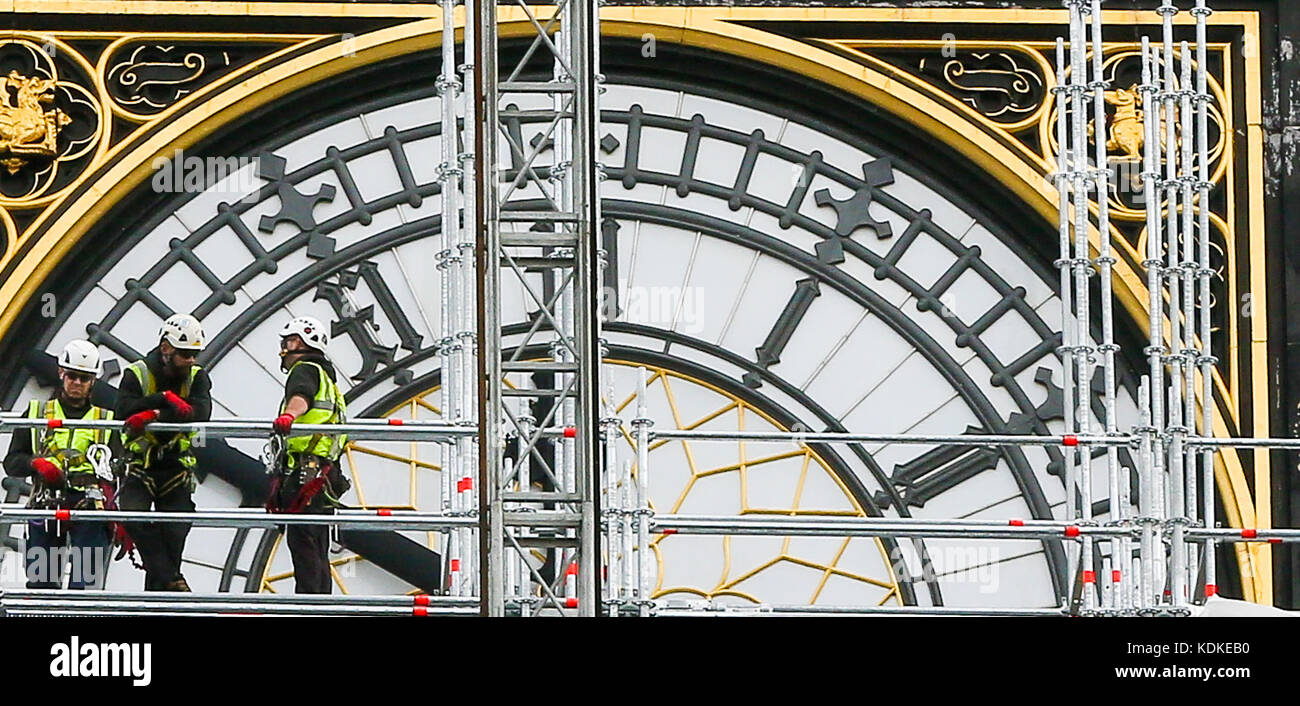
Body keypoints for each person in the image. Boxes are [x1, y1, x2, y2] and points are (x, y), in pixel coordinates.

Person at [3, 340, 118, 589]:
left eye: (84, 378)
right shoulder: (37, 412)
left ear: (93, 381)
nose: (76, 383)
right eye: (72, 376)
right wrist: (36, 463)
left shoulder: (106, 420)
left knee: (84, 586)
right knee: (41, 582)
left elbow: (120, 467)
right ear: (61, 374)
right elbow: (12, 462)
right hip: (47, 502)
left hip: (89, 504)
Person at [115, 313, 213, 591]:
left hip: (175, 465)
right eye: (185, 354)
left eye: (194, 354)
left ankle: (160, 593)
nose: (191, 360)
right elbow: (122, 410)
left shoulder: (197, 377)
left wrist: (154, 412)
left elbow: (200, 413)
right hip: (141, 465)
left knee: (175, 531)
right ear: (166, 348)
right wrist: (163, 399)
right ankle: (171, 580)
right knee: (134, 517)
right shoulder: (137, 374)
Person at [268, 315, 350, 594]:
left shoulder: (304, 370)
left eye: (290, 342)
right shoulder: (330, 381)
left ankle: (309, 605)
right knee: (317, 544)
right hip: (323, 473)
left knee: (303, 542)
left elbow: (301, 396)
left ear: (306, 343)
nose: (285, 349)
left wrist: (289, 415)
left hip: (307, 473)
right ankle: (320, 605)